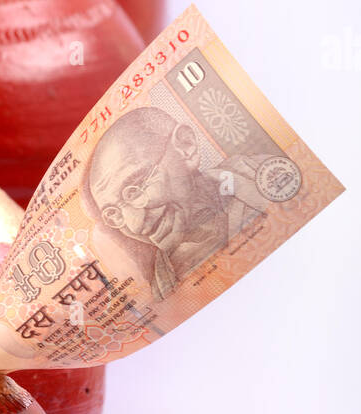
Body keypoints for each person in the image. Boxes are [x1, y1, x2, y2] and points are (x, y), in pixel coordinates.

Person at [86, 106, 270, 299]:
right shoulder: (164, 287)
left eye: (136, 187)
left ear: (185, 147)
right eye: (113, 213)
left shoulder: (265, 179)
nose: (135, 224)